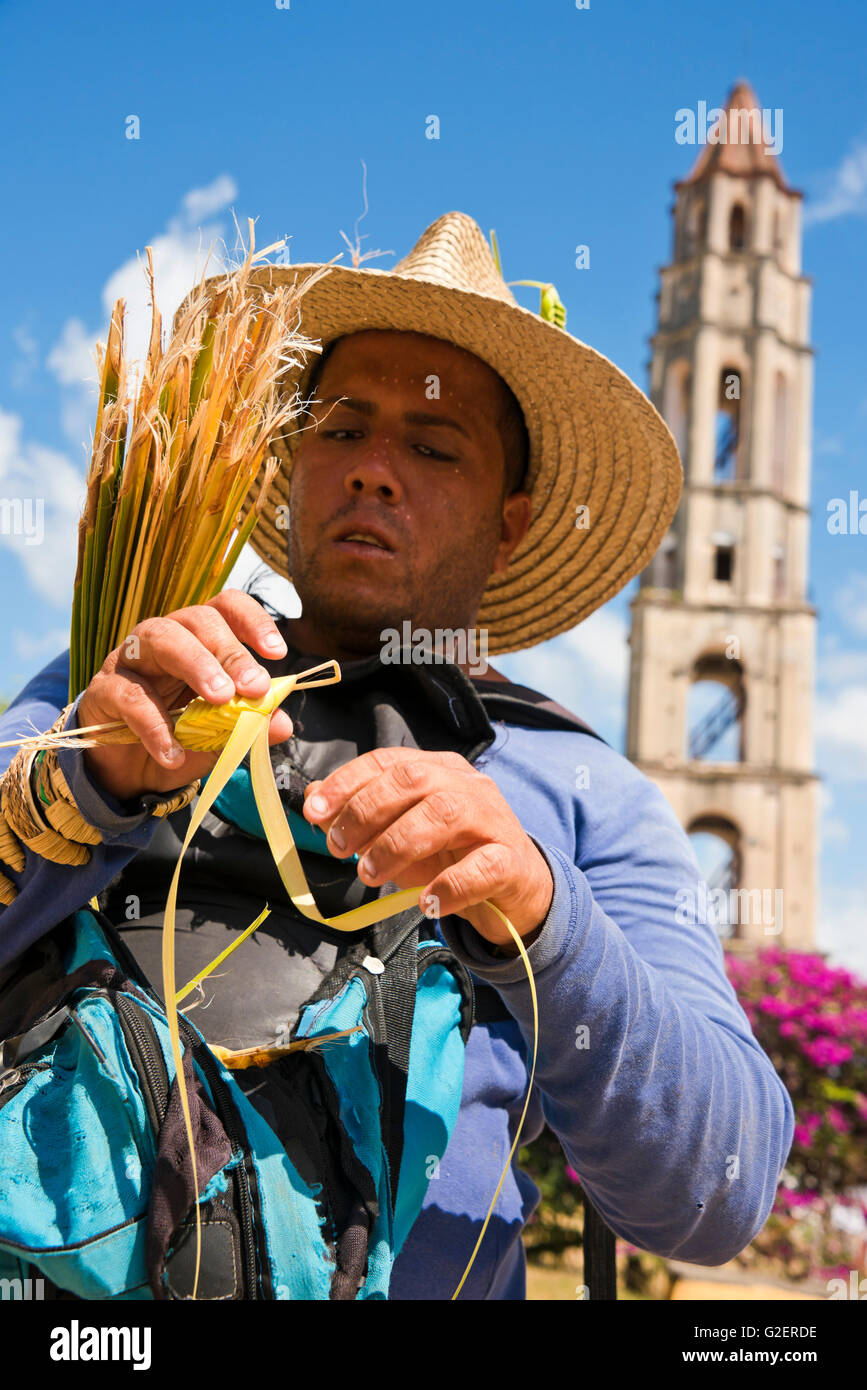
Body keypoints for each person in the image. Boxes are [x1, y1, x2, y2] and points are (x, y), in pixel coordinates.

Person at [0, 211, 793, 1299]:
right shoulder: (126, 678)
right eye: (337, 428)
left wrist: (542, 918)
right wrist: (87, 777)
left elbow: (716, 1191)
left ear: (510, 524)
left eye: (431, 447)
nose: (374, 470)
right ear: (291, 459)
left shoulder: (577, 787)